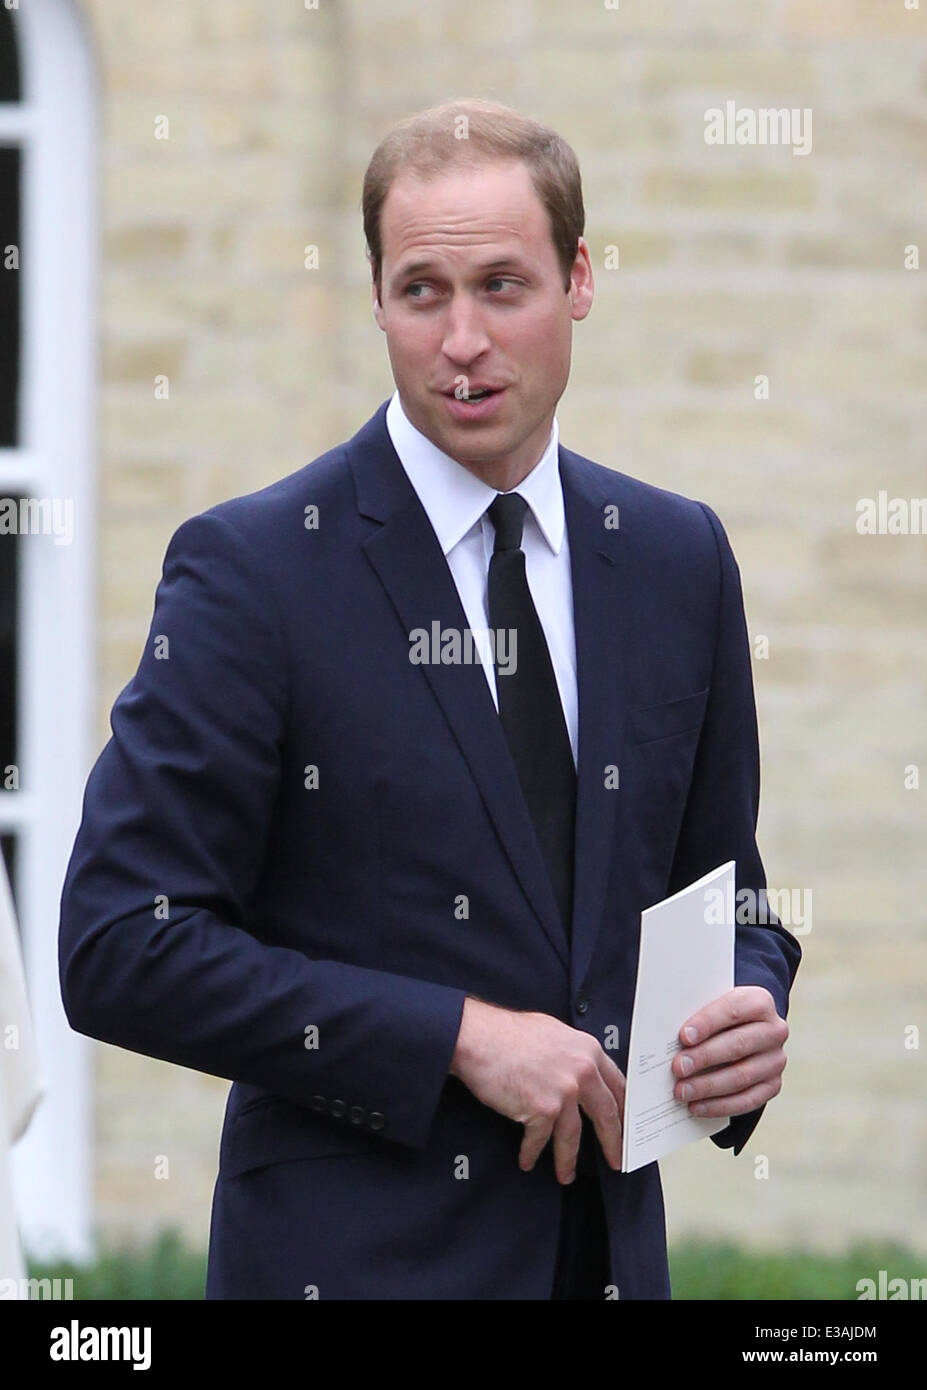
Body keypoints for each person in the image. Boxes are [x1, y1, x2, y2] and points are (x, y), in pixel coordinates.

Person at [58, 97, 801, 1300]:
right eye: (421, 292)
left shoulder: (677, 558)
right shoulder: (254, 572)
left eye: (502, 286)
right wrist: (456, 1036)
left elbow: (727, 899)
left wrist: (749, 1007)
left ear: (579, 282)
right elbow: (118, 945)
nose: (461, 339)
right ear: (377, 301)